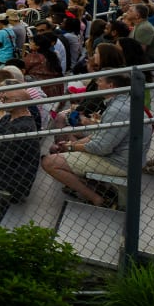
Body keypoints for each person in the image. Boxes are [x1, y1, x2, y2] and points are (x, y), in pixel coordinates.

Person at [41, 75, 137, 207]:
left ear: (110, 86)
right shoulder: (119, 103)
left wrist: (71, 148)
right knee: (66, 139)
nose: (97, 82)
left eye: (100, 80)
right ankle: (99, 190)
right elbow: (97, 135)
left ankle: (97, 199)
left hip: (119, 162)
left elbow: (102, 148)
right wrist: (72, 145)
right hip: (121, 156)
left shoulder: (117, 110)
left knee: (49, 162)